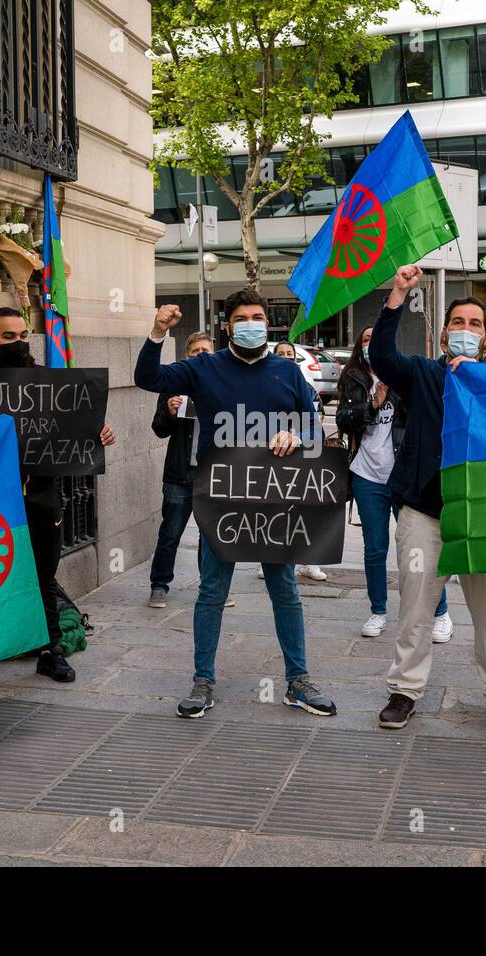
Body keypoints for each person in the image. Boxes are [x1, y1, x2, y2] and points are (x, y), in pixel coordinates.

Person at [136, 291, 337, 720]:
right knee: (212, 591)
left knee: (285, 591)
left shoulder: (288, 372)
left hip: (274, 501)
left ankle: (298, 681)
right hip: (221, 502)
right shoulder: (204, 367)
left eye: (258, 317)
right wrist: (157, 332)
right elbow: (148, 378)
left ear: (268, 324)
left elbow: (314, 427)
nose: (251, 323)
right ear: (228, 326)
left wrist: (297, 437)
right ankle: (203, 681)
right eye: (242, 317)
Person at [369, 266, 486, 733]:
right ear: (442, 335)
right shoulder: (420, 374)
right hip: (425, 513)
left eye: (475, 324)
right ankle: (404, 692)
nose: (466, 330)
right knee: (415, 611)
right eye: (458, 322)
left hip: (483, 516)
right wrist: (398, 292)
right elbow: (381, 354)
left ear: (485, 338)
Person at [0, 307, 116, 688]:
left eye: (24, 335)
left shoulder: (48, 385)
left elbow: (74, 428)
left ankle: (50, 650)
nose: (19, 342)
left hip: (42, 496)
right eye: (9, 336)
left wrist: (97, 433)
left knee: (43, 575)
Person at [335, 325, 452, 641]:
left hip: (404, 475)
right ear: (361, 347)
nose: (372, 344)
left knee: (418, 548)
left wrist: (395, 390)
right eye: (366, 339)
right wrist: (372, 404)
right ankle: (377, 611)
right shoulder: (354, 378)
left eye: (377, 338)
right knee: (375, 548)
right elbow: (343, 421)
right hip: (367, 475)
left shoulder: (407, 375)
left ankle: (440, 612)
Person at [147, 331, 229, 608]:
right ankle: (159, 585)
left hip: (213, 476)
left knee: (211, 536)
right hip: (179, 475)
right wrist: (169, 413)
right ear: (187, 356)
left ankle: (212, 588)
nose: (202, 355)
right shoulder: (174, 385)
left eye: (207, 350)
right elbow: (159, 429)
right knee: (170, 533)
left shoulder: (223, 385)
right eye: (196, 352)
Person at [269, 341, 328, 583]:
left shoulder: (308, 389)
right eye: (280, 354)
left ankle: (308, 561)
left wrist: (300, 438)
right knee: (275, 511)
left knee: (305, 512)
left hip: (303, 457)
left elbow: (317, 424)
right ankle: (271, 559)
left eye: (289, 354)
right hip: (274, 459)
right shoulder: (267, 387)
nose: (285, 357)